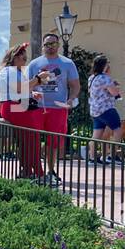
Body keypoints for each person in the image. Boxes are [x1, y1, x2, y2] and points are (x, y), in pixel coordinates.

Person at [25, 33, 79, 185]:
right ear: (43, 46)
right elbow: (26, 86)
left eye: (53, 43)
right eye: (47, 44)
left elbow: (75, 85)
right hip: (37, 108)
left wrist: (71, 99)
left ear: (58, 44)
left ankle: (50, 171)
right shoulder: (34, 64)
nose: (50, 47)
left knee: (54, 142)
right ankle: (34, 171)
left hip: (58, 108)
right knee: (33, 140)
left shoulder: (67, 63)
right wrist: (32, 92)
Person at [0, 42, 46, 180]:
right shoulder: (9, 71)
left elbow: (20, 90)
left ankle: (28, 172)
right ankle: (38, 174)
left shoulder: (13, 72)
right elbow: (19, 89)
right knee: (32, 139)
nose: (25, 61)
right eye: (23, 58)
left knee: (27, 140)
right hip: (14, 107)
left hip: (15, 106)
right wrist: (38, 79)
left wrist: (32, 93)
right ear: (14, 57)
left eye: (25, 59)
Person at [86, 55, 124, 163]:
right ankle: (111, 155)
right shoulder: (105, 78)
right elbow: (114, 93)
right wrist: (117, 88)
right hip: (106, 108)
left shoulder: (92, 77)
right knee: (118, 131)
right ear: (105, 65)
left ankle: (92, 157)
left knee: (96, 135)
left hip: (95, 110)